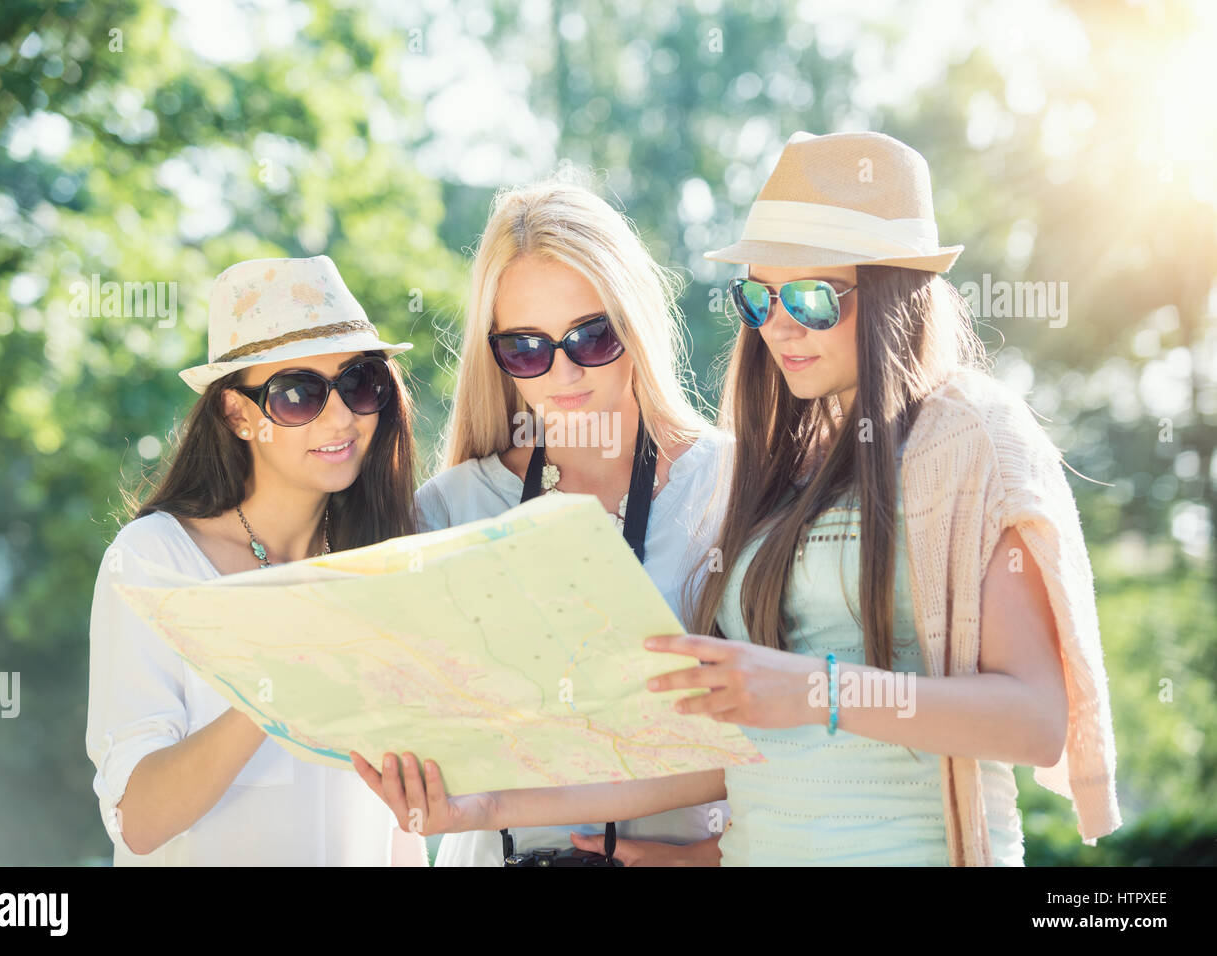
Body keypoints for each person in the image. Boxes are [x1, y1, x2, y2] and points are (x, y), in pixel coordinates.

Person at [354, 131, 1123, 866]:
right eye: (760, 301)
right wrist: (488, 812)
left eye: (815, 299)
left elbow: (1036, 722)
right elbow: (745, 754)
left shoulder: (969, 434)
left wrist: (817, 689)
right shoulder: (780, 471)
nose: (781, 328)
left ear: (897, 293)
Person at [413, 177, 734, 866]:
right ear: (495, 353)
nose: (563, 373)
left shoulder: (735, 486)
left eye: (592, 337)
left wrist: (700, 859)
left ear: (635, 321)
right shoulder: (447, 510)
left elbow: (798, 740)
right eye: (527, 348)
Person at [86, 254, 427, 865]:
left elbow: (402, 830)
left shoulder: (391, 559)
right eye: (298, 394)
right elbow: (137, 819)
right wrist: (275, 682)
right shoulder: (152, 561)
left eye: (359, 382)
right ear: (237, 414)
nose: (342, 416)